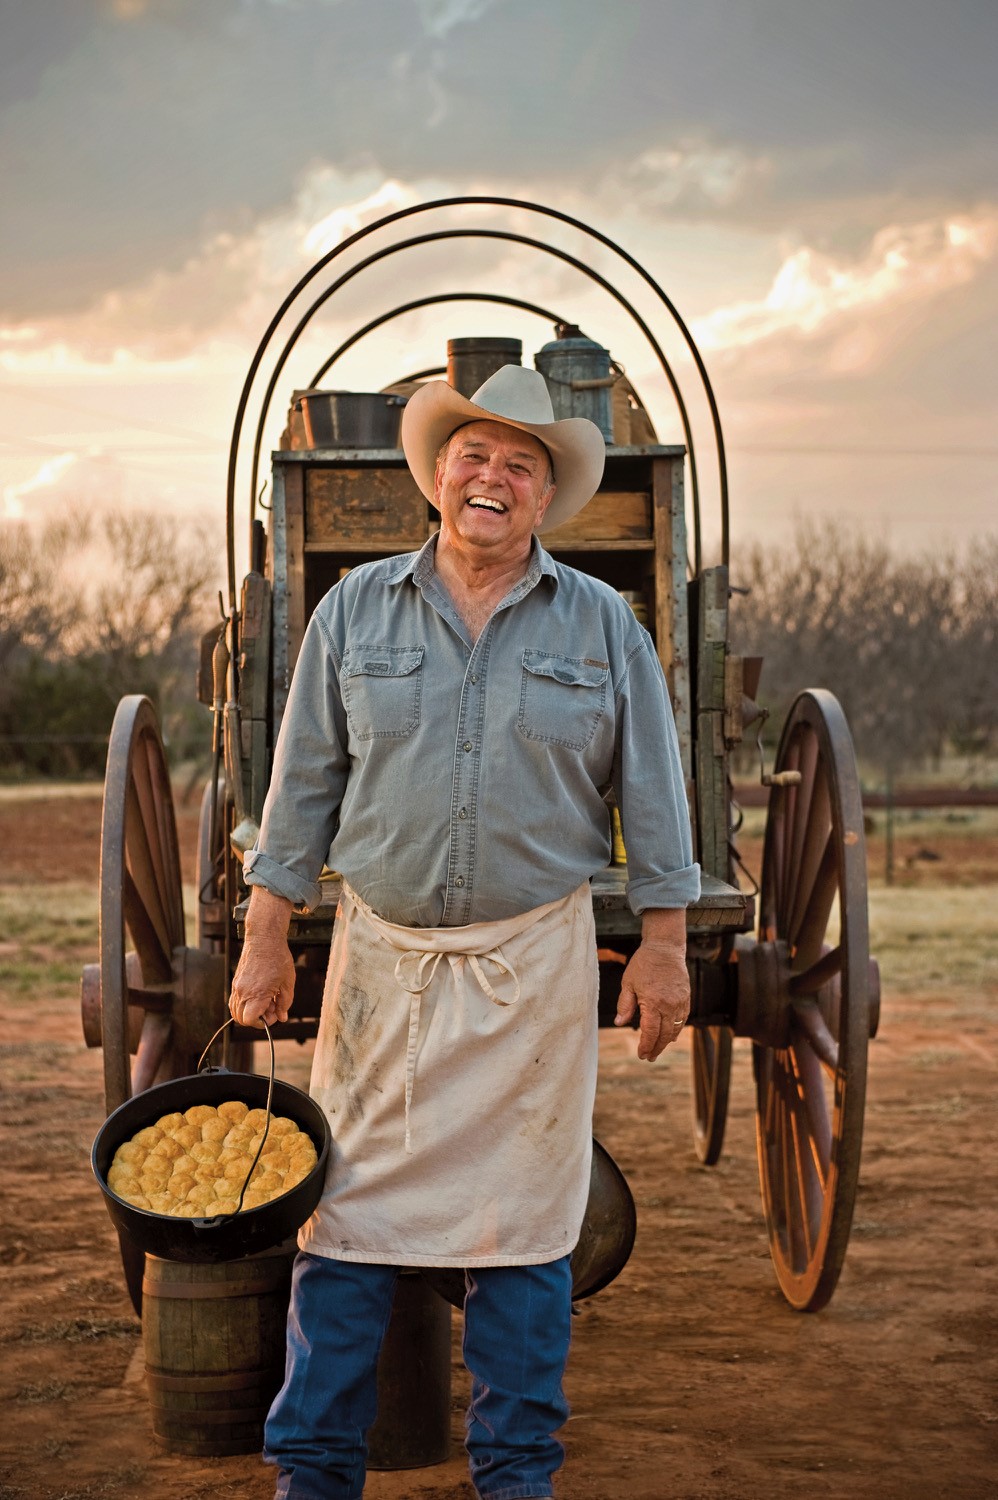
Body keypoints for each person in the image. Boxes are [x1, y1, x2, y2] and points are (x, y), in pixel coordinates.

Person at [229, 364, 700, 1500]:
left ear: (544, 499)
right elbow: (301, 789)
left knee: (527, 1240)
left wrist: (666, 943)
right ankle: (313, 1475)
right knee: (340, 1229)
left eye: (520, 467)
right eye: (473, 456)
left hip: (529, 970)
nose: (491, 478)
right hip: (381, 965)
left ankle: (515, 1476)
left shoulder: (602, 627)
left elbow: (652, 794)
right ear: (437, 475)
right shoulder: (352, 609)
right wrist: (261, 930)